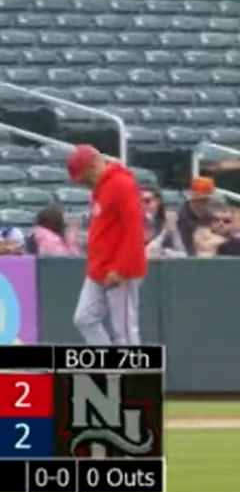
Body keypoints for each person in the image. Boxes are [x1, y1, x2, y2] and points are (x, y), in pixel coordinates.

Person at [65, 144, 145, 345]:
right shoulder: (101, 187)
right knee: (84, 319)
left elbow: (134, 230)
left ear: (94, 166)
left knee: (124, 331)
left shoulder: (121, 183)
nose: (84, 184)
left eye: (85, 178)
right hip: (99, 268)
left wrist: (121, 268)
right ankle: (111, 367)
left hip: (120, 269)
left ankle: (135, 376)